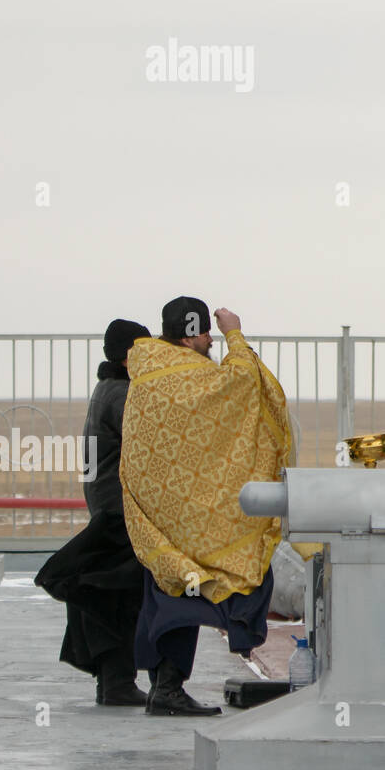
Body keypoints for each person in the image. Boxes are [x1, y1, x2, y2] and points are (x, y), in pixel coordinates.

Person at [121, 297, 291, 717]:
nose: (211, 339)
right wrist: (235, 331)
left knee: (170, 591)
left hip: (159, 515)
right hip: (195, 518)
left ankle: (166, 687)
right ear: (192, 333)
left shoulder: (147, 373)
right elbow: (247, 382)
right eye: (206, 333)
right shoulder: (192, 376)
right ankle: (168, 688)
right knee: (228, 580)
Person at [35, 319, 152, 705]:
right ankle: (117, 683)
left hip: (106, 505)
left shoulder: (105, 390)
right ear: (128, 355)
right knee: (118, 593)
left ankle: (113, 683)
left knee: (107, 590)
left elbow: (89, 463)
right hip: (119, 511)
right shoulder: (123, 395)